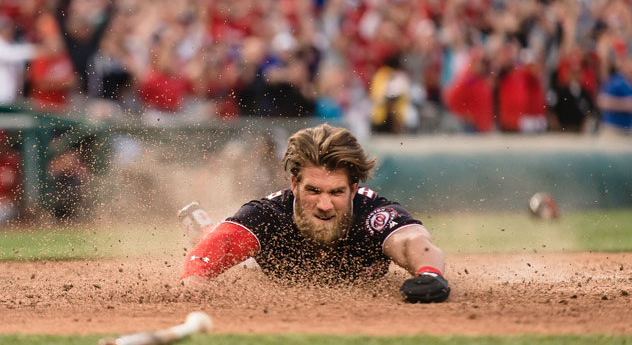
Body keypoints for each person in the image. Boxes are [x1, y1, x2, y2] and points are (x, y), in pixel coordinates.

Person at [178, 124, 450, 303]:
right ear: (294, 185)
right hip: (255, 263)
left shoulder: (375, 214)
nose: (325, 205)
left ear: (354, 189)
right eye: (314, 191)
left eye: (336, 192)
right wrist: (196, 279)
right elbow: (221, 244)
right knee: (218, 241)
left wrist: (430, 273)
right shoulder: (269, 215)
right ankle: (203, 227)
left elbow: (413, 242)